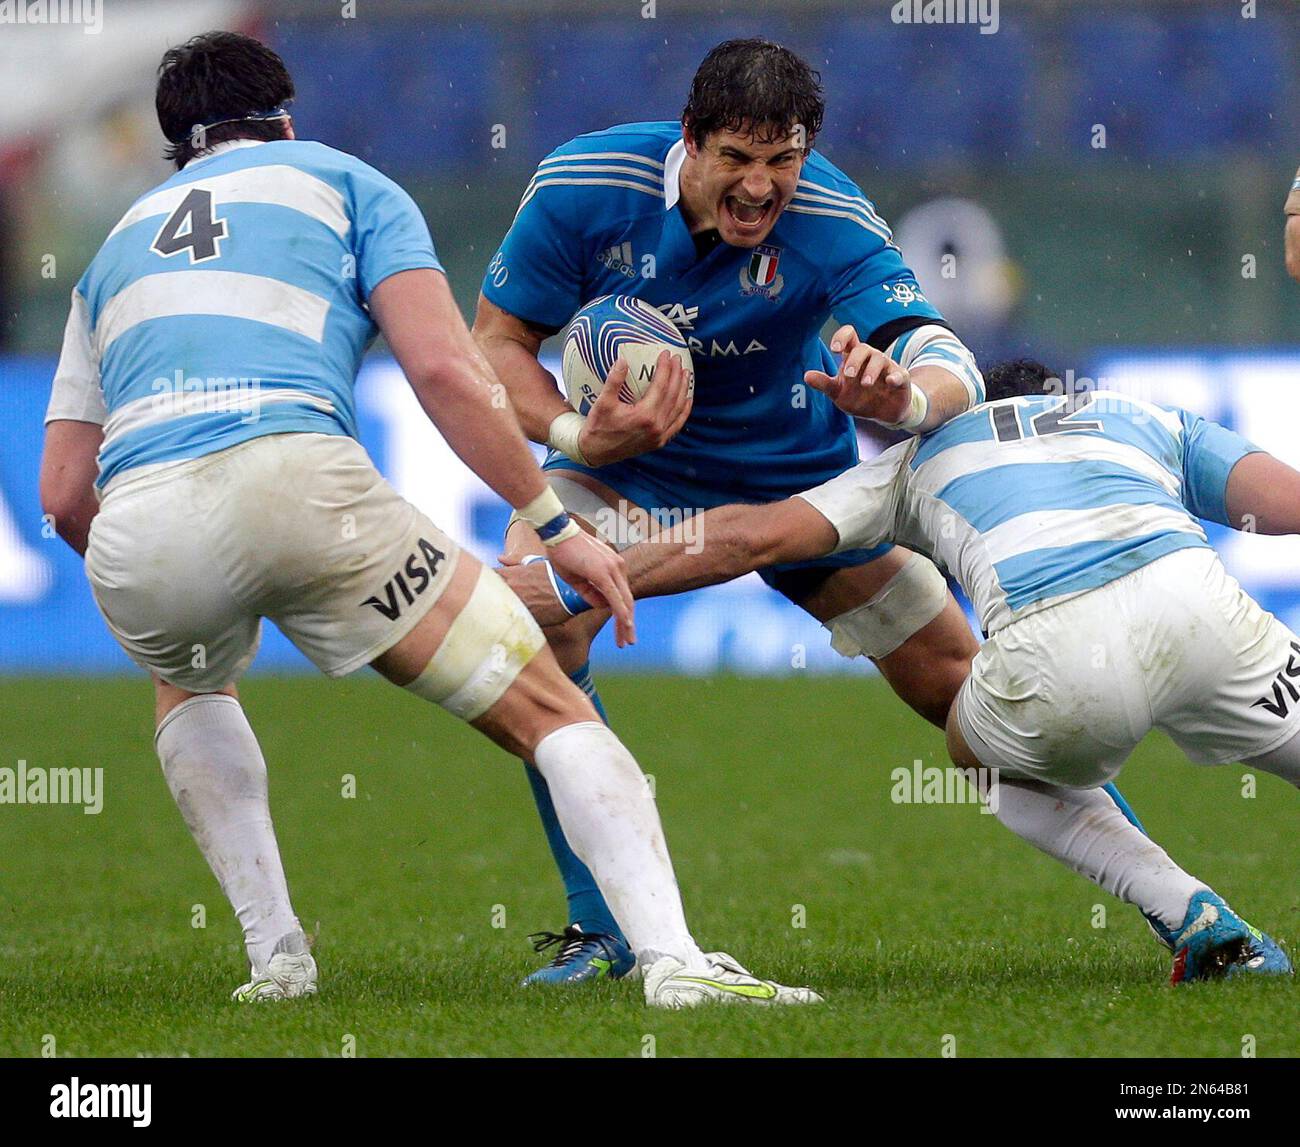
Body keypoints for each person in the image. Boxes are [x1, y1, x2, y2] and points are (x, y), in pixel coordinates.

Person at [37, 30, 820, 1010]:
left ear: (176, 152)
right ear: (285, 116)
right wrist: (552, 514)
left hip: (142, 518)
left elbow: (64, 491)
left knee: (186, 681)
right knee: (548, 705)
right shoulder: (346, 183)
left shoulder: (110, 252)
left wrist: (145, 577)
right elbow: (448, 371)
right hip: (299, 474)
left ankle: (276, 957)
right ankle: (675, 962)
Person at [505, 359, 1296, 982]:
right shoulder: (1144, 417)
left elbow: (747, 537)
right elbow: (1281, 502)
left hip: (1059, 660)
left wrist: (579, 581)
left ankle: (1194, 915)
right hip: (1209, 616)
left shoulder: (919, 460)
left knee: (975, 752)